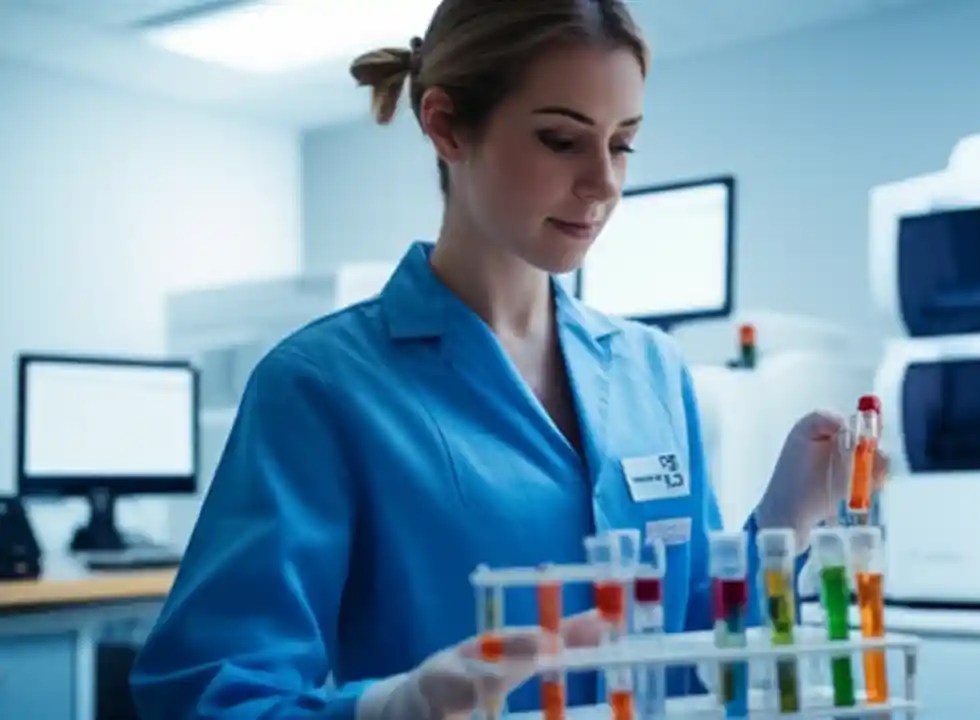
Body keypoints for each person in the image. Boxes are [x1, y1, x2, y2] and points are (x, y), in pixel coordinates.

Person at [130, 1, 887, 718]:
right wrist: (392, 708)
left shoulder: (653, 373)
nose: (605, 183)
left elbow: (689, 653)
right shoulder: (321, 387)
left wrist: (786, 519)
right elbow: (202, 690)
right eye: (562, 140)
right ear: (448, 125)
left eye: (622, 143)